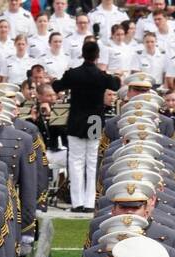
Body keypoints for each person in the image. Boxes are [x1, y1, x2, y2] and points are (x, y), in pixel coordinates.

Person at [51, 38, 120, 213]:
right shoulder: (100, 75)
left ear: (82, 54)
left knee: (75, 162)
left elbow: (57, 86)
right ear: (97, 56)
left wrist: (54, 79)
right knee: (91, 162)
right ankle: (90, 203)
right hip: (95, 120)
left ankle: (77, 203)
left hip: (76, 120)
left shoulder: (73, 73)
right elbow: (116, 84)